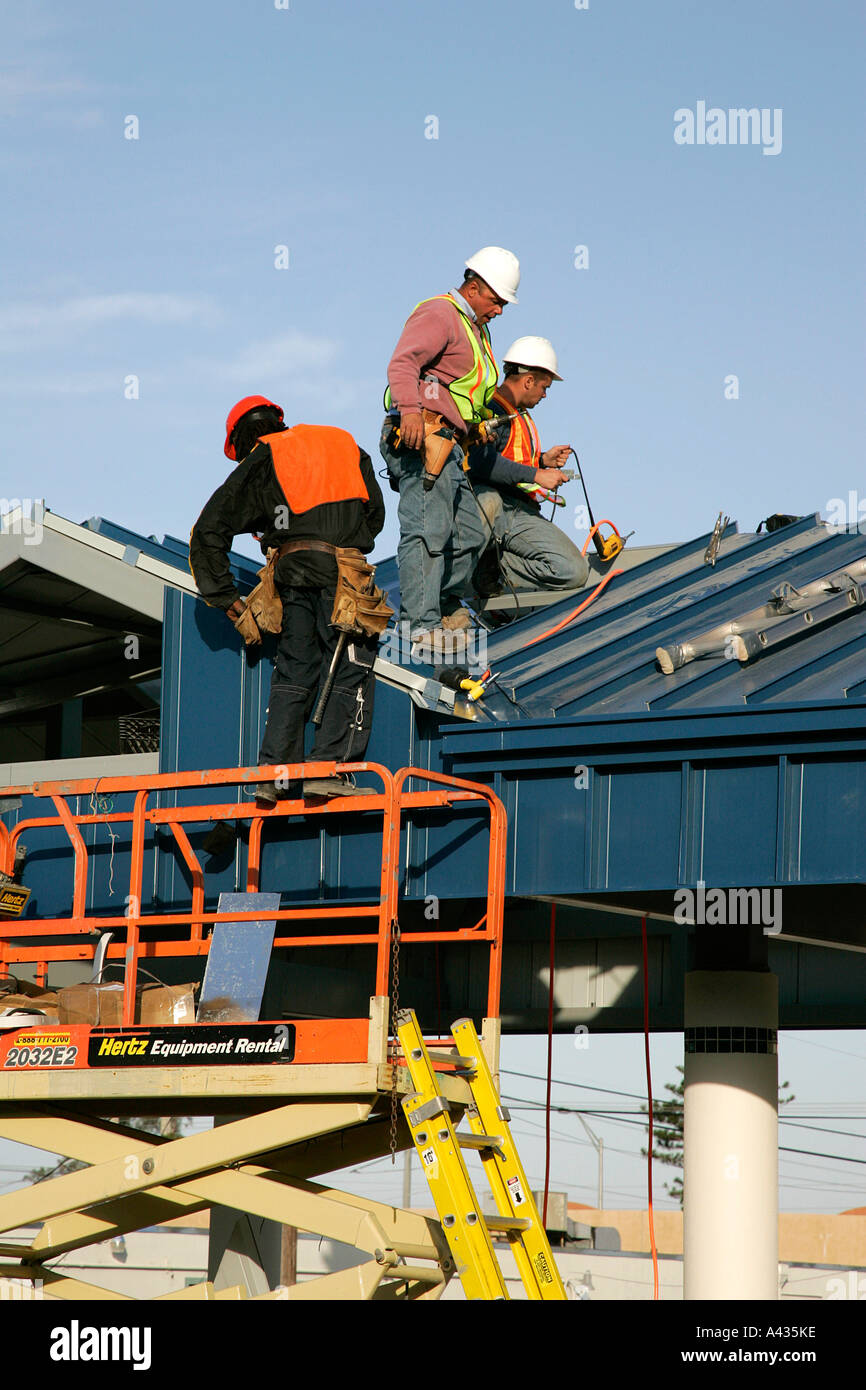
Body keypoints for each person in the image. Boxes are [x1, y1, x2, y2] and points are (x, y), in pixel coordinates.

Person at [189, 395, 386, 803]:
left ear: (243, 439)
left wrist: (228, 599)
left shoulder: (262, 458)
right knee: (350, 663)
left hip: (292, 573)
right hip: (344, 571)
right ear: (277, 420)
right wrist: (342, 535)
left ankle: (274, 776)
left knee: (295, 670)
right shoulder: (340, 441)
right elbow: (375, 516)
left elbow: (207, 532)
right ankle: (325, 772)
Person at [380, 247, 520, 660]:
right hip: (421, 438)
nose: (499, 310)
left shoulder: (474, 328)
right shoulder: (440, 314)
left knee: (471, 533)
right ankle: (419, 628)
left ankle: (438, 608)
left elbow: (455, 391)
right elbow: (403, 363)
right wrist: (408, 411)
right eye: (496, 300)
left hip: (448, 445)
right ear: (474, 287)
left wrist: (472, 429)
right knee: (426, 532)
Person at [466, 336, 589, 601]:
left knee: (574, 571)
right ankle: (475, 571)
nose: (545, 394)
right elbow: (480, 462)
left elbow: (508, 457)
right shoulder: (492, 411)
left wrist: (542, 460)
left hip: (520, 512)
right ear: (528, 380)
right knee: (571, 570)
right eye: (544, 386)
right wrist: (538, 475)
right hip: (496, 509)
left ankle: (493, 570)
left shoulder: (518, 412)